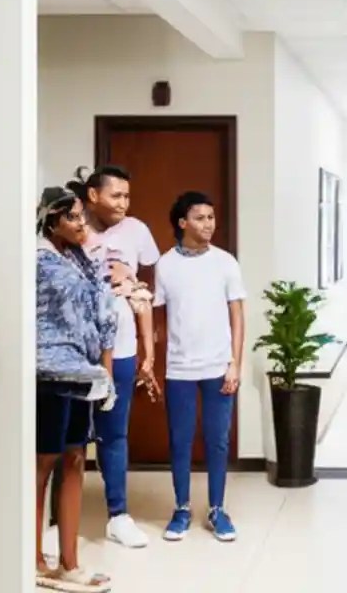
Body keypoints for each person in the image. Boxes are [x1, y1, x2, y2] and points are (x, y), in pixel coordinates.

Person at [45, 166, 159, 553]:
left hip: (121, 349)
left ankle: (118, 516)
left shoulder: (135, 232)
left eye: (128, 196)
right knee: (65, 439)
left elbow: (143, 291)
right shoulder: (69, 234)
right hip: (74, 355)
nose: (124, 204)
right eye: (117, 195)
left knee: (114, 433)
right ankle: (57, 523)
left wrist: (148, 350)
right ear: (92, 196)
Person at [34, 187, 116, 592]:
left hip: (83, 373)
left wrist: (105, 370)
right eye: (72, 217)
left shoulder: (83, 258)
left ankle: (69, 562)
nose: (81, 223)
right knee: (42, 464)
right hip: (48, 372)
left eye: (82, 215)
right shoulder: (38, 260)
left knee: (76, 459)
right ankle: (34, 559)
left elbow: (104, 311)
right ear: (52, 221)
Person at [154, 191, 245, 543]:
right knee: (180, 440)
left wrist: (235, 363)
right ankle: (181, 508)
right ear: (183, 223)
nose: (208, 224)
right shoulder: (165, 265)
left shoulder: (225, 262)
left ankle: (218, 509)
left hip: (219, 365)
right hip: (179, 368)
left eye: (211, 217)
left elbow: (237, 315)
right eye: (200, 218)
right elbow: (159, 317)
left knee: (218, 440)